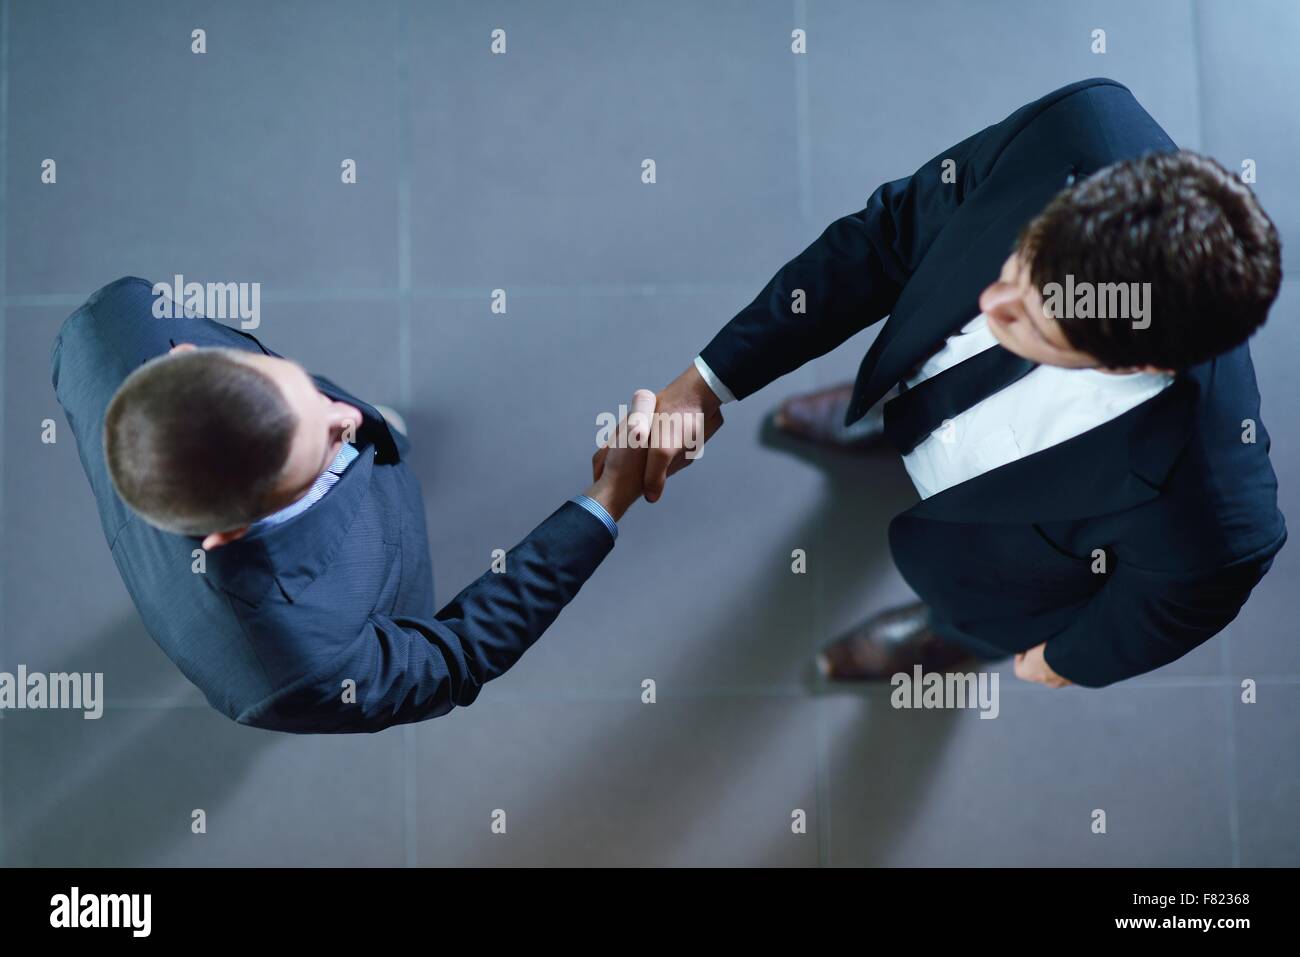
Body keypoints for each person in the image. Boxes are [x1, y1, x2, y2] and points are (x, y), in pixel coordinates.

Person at [603, 77, 1286, 689]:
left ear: (1138, 364)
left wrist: (1063, 661)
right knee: (916, 381)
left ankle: (945, 640)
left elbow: (1155, 615)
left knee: (973, 618)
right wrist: (707, 383)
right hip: (927, 388)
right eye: (1022, 262)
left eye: (1033, 324)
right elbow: (887, 237)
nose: (991, 304)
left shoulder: (1217, 525)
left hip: (991, 566)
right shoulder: (1078, 130)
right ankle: (891, 413)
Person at [53, 276, 657, 732]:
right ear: (231, 537)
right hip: (369, 589)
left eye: (291, 384)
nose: (347, 414)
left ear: (186, 358)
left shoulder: (116, 322)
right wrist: (612, 495)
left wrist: (314, 428)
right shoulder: (301, 669)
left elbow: (328, 414)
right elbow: (458, 655)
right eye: (327, 441)